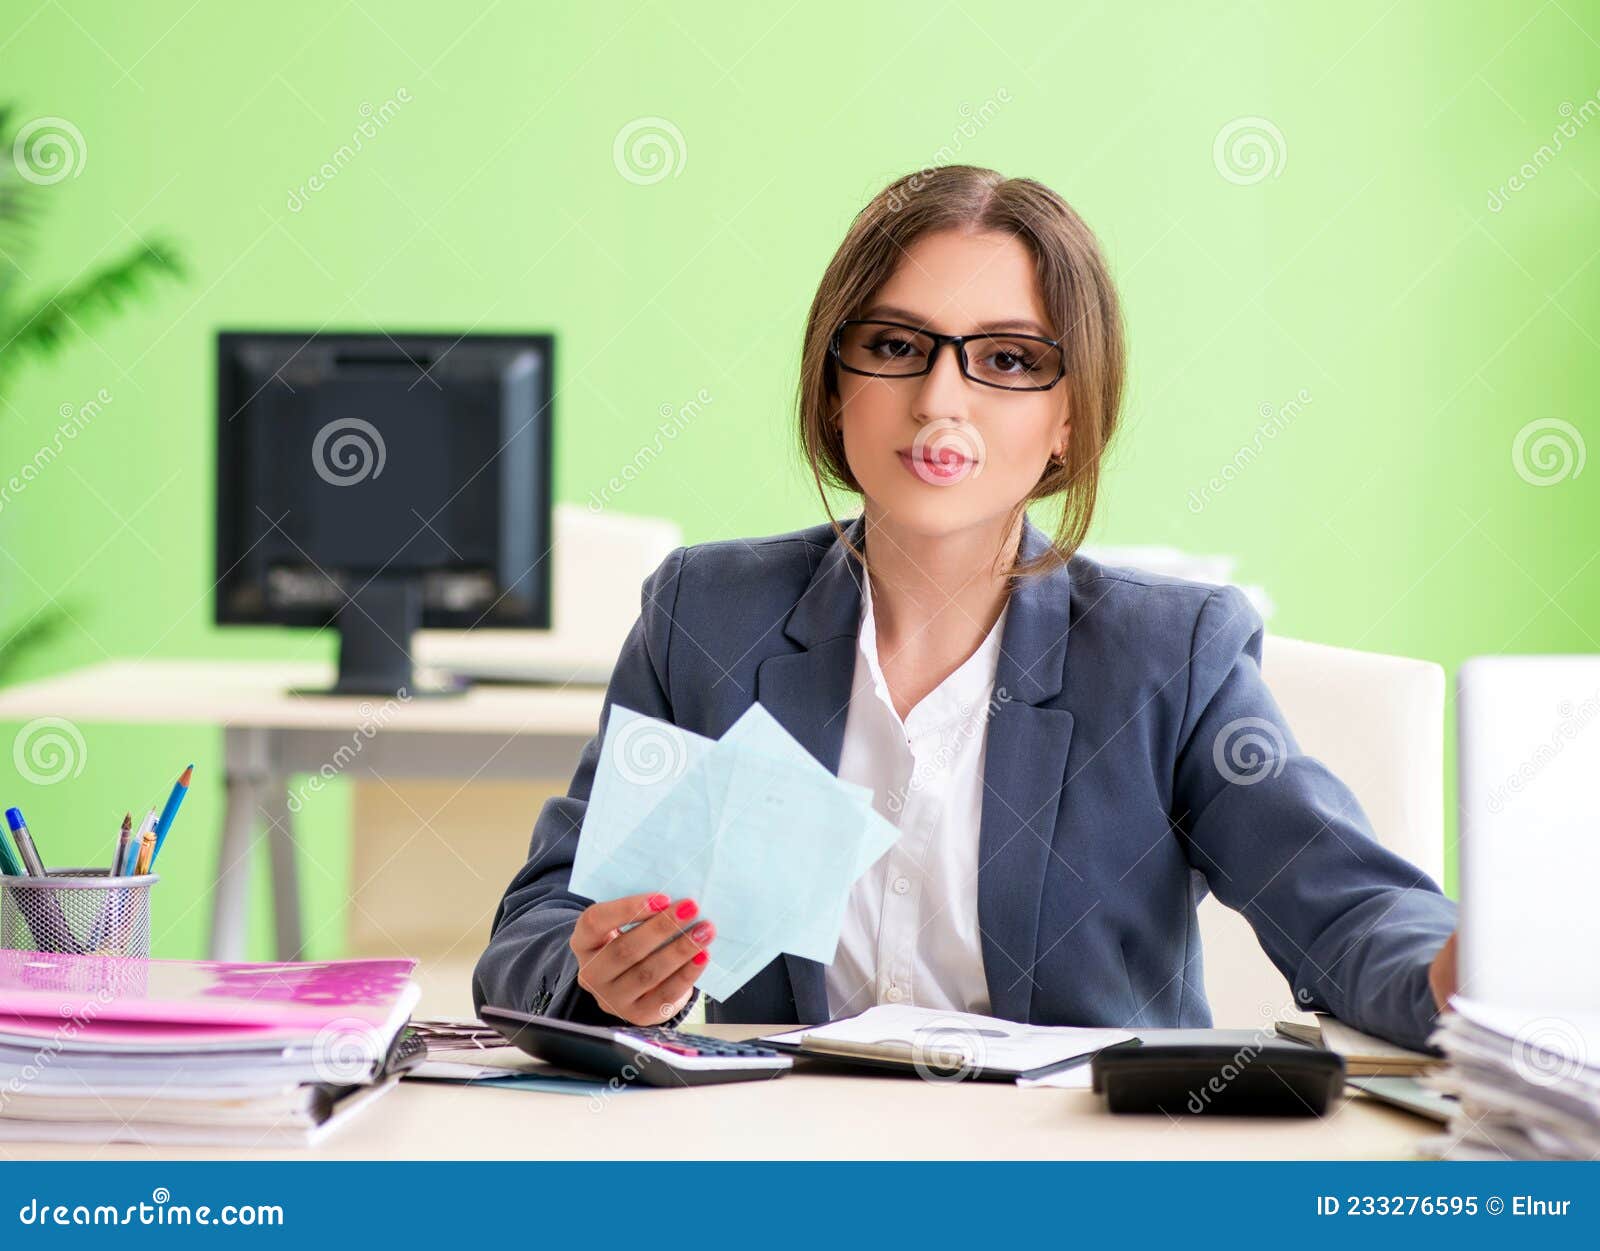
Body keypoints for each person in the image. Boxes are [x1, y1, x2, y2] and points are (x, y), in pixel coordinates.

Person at [472, 165, 1459, 1052]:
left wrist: (1458, 977)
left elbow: (1348, 913)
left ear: (1070, 415)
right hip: (789, 1163)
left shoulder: (1168, 655)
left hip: (1077, 1179)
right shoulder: (710, 618)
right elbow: (538, 935)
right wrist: (598, 977)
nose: (941, 398)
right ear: (833, 389)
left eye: (1009, 360)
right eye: (896, 345)